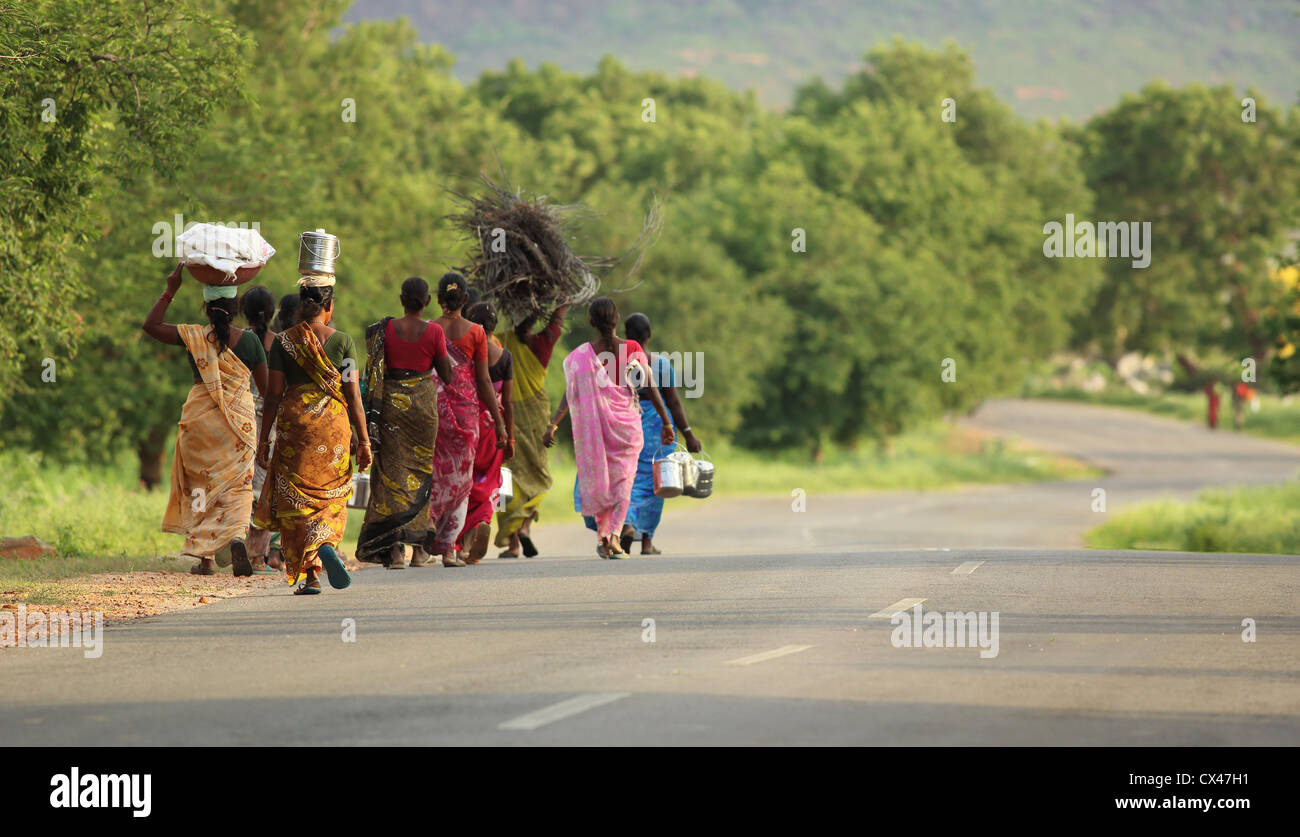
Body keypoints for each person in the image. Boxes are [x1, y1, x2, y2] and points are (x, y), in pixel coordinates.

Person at [142, 263, 268, 577]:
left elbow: (151, 325)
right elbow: (266, 390)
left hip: (200, 423)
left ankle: (206, 558)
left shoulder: (192, 336)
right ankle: (236, 536)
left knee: (201, 485)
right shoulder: (251, 342)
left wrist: (170, 290)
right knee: (238, 487)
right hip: (239, 424)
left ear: (206, 307)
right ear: (237, 307)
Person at [253, 275, 371, 594]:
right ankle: (325, 543)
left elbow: (273, 395)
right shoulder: (344, 341)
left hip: (295, 427)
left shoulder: (282, 342)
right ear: (329, 307)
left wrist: (264, 440)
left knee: (296, 497)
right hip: (333, 427)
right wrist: (364, 440)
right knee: (329, 495)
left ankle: (311, 574)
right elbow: (353, 394)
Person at [544, 297, 673, 559]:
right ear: (616, 320)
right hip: (627, 429)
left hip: (598, 433)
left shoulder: (582, 355)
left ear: (591, 321)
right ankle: (612, 536)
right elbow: (651, 387)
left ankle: (606, 538)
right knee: (623, 483)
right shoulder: (632, 348)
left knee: (603, 483)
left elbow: (572, 394)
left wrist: (552, 424)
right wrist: (667, 422)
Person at [356, 277, 452, 569]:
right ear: (427, 302)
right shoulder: (434, 331)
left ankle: (395, 550)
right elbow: (447, 375)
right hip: (422, 412)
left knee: (390, 475)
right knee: (420, 475)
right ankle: (420, 552)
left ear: (401, 299)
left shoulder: (385, 330)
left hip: (390, 412)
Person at [425, 273, 507, 567]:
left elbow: (423, 372)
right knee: (462, 481)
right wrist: (498, 422)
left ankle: (428, 527)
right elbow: (484, 381)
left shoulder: (429, 328)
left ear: (437, 299)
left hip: (434, 412)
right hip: (466, 415)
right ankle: (448, 549)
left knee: (435, 473)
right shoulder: (476, 333)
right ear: (466, 300)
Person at [618, 313, 702, 555]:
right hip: (659, 429)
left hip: (627, 424)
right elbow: (673, 402)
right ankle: (646, 541)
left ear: (626, 336)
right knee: (659, 482)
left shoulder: (619, 365)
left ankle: (627, 524)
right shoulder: (662, 364)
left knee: (629, 479)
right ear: (649, 335)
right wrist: (688, 435)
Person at [495, 304, 568, 557]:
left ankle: (514, 543)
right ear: (534, 321)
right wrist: (561, 300)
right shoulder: (543, 342)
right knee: (538, 475)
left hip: (506, 412)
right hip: (537, 415)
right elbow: (558, 319)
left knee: (509, 474)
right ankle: (525, 526)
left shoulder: (499, 340)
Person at [456, 301, 515, 563]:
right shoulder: (504, 356)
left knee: (464, 480)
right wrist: (509, 436)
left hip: (466, 422)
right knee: (488, 481)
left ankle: (464, 540)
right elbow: (509, 402)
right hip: (494, 426)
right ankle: (481, 521)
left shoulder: (464, 353)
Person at [238, 285, 282, 573]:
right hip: (270, 419)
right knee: (265, 487)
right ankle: (257, 554)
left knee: (240, 483)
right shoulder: (280, 343)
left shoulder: (236, 340)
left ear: (243, 312)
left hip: (237, 418)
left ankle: (234, 539)